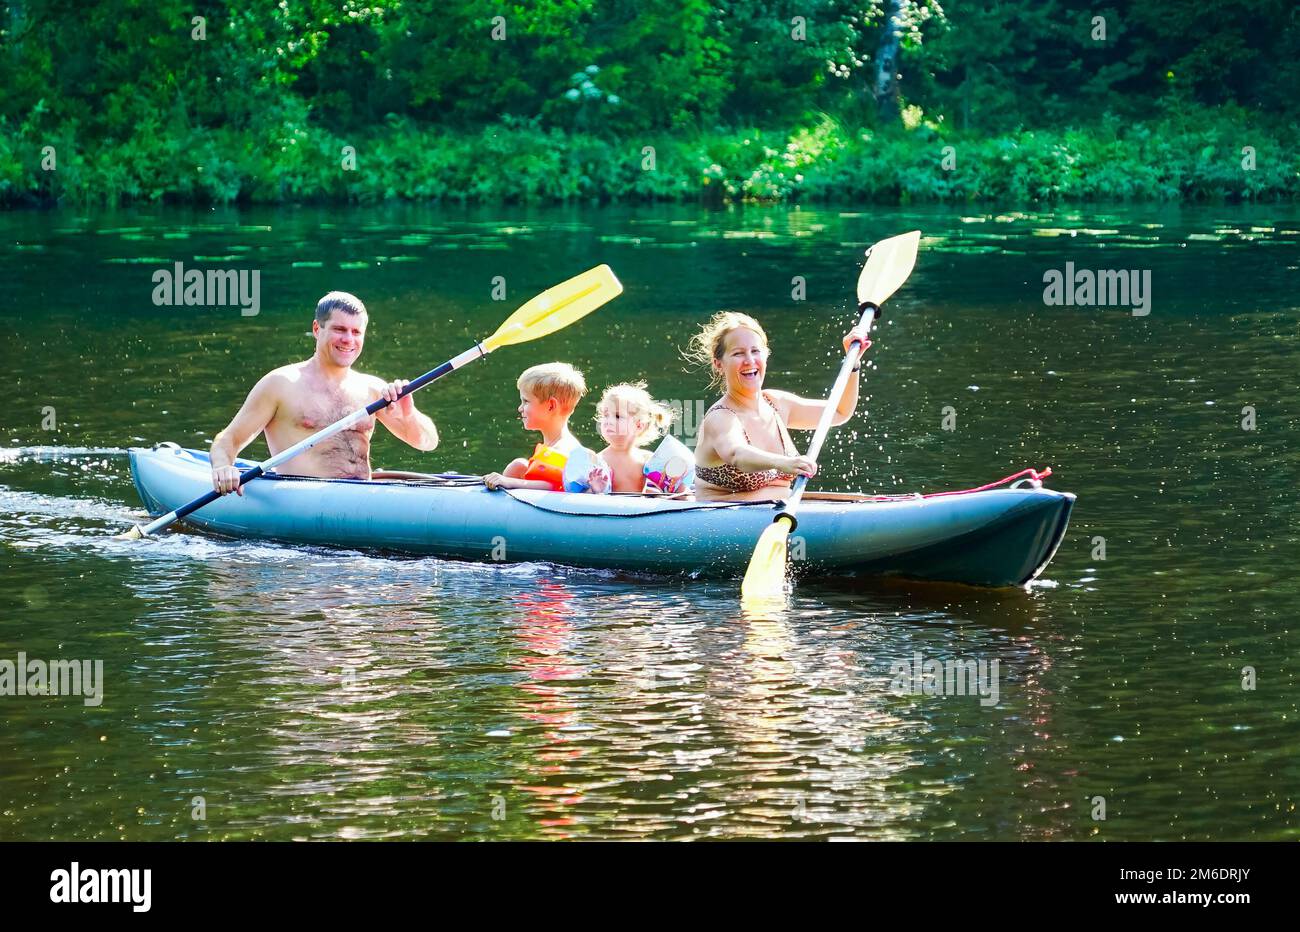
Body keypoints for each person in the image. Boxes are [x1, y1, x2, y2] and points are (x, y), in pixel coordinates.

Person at [208, 291, 438, 494]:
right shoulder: (280, 384)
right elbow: (228, 440)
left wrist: (408, 415)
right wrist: (223, 468)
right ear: (317, 329)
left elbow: (427, 442)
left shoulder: (373, 389)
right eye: (340, 329)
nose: (348, 339)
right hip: (305, 501)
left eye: (356, 332)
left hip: (364, 498)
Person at [688, 311, 871, 501]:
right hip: (721, 520)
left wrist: (853, 363)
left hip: (781, 511)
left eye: (755, 351)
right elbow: (736, 454)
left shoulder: (776, 403)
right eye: (738, 353)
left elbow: (840, 412)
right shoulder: (720, 418)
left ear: (765, 355)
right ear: (718, 364)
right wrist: (784, 463)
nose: (749, 360)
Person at [483, 362, 588, 491]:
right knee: (519, 465)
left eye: (526, 401)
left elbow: (554, 487)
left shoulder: (562, 449)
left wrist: (509, 482)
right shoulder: (553, 445)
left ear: (551, 406)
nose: (520, 408)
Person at [586, 382, 674, 493]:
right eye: (606, 415)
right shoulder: (597, 462)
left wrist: (658, 491)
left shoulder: (647, 461)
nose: (609, 421)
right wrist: (595, 489)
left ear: (638, 426)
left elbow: (667, 492)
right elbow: (581, 498)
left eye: (618, 416)